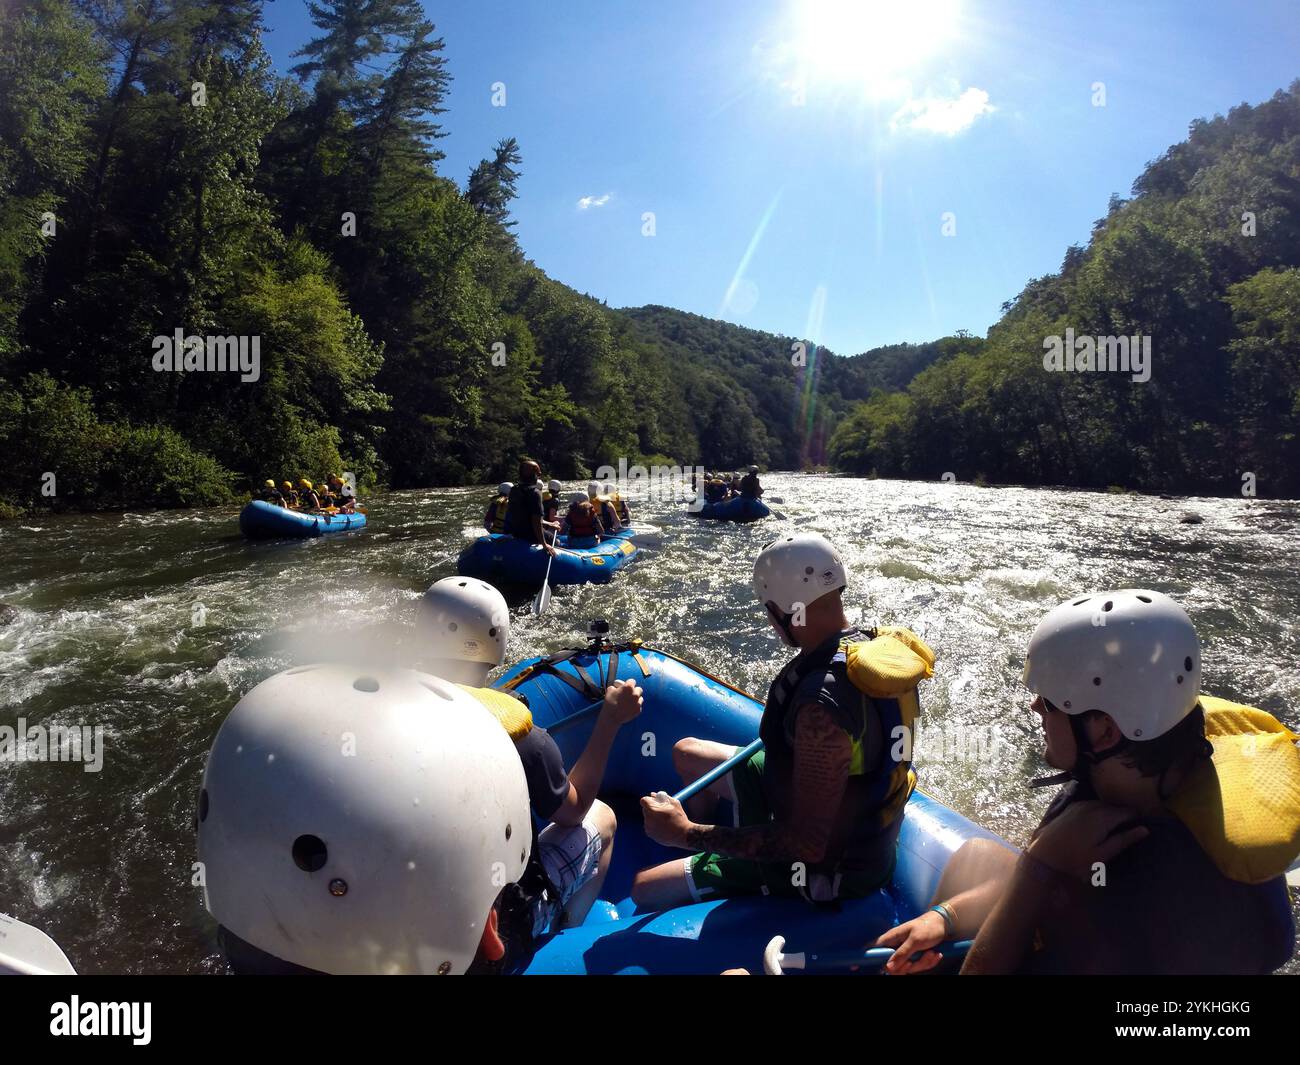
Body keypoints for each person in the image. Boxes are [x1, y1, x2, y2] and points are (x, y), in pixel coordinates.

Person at [877, 589, 1298, 976]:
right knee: (980, 854)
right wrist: (946, 917)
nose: (1035, 706)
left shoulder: (1138, 890)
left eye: (1051, 702)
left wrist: (1036, 871)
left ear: (1105, 731)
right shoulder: (1145, 777)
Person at [632, 532, 925, 909]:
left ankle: (695, 848)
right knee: (686, 752)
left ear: (780, 611)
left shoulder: (820, 707)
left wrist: (687, 834)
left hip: (825, 869)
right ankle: (694, 839)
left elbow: (807, 844)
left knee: (643, 888)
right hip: (820, 798)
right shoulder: (872, 652)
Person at [417, 576, 645, 958]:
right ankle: (561, 939)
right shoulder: (524, 738)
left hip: (398, 912)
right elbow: (573, 813)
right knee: (603, 818)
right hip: (490, 932)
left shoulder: (383, 711)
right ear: (498, 643)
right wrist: (609, 721)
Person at [505, 460, 558, 554]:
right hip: (531, 535)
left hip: (516, 533)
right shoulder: (535, 493)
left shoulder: (514, 490)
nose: (540, 474)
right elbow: (536, 521)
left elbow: (523, 515)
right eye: (538, 472)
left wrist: (550, 524)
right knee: (556, 541)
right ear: (535, 474)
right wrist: (544, 544)